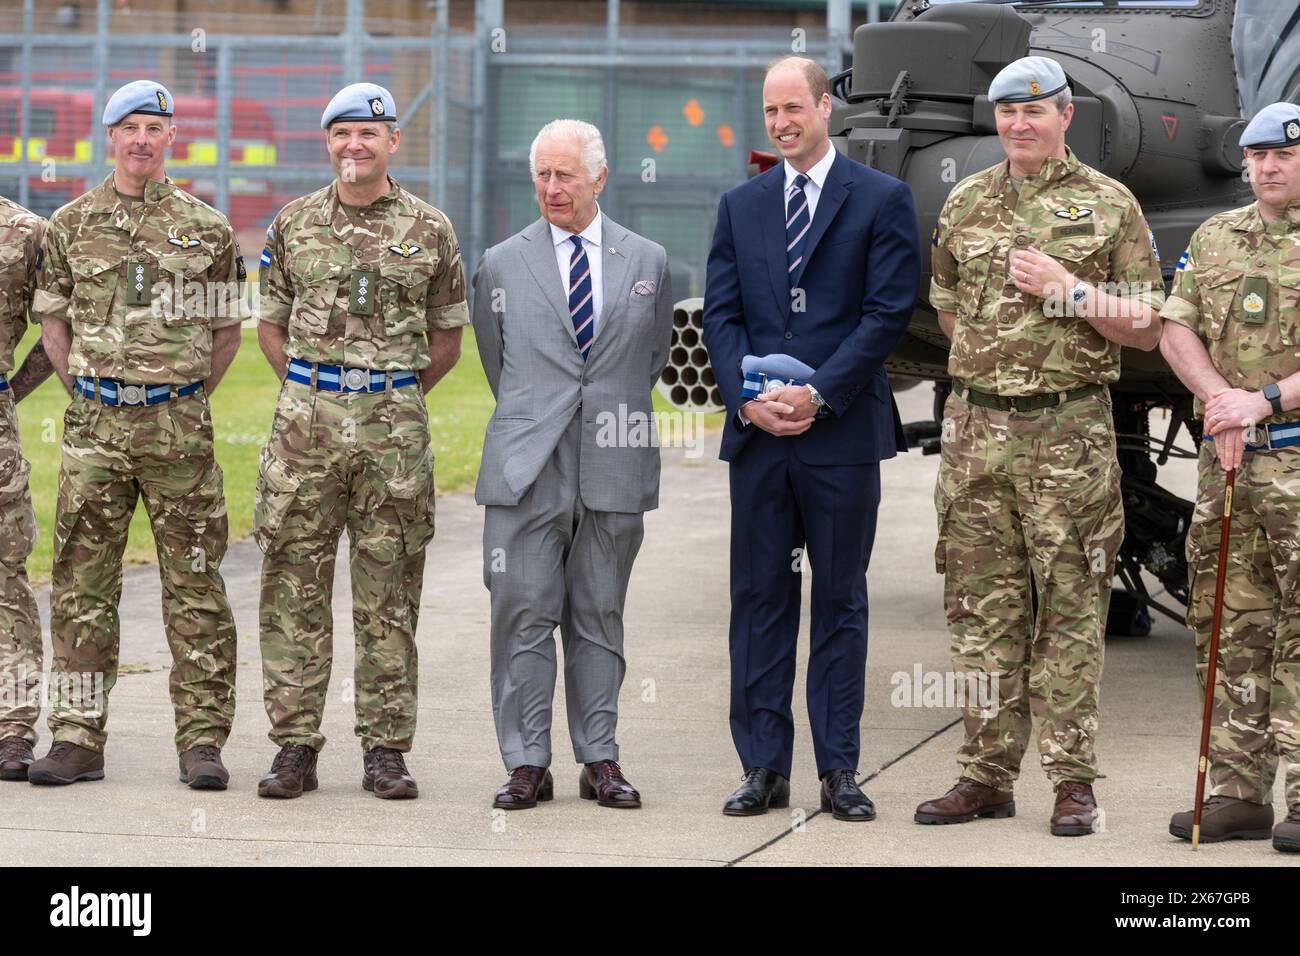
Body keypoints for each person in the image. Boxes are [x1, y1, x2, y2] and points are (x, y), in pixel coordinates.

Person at [918, 56, 1163, 835]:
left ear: (1066, 116)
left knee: (1069, 610)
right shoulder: (966, 202)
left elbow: (1149, 321)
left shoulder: (1109, 204)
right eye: (1006, 113)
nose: (1019, 125)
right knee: (980, 611)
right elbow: (951, 312)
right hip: (978, 436)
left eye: (1035, 112)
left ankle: (1072, 783)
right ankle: (986, 776)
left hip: (1069, 435)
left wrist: (1073, 291)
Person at [702, 56, 920, 821]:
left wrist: (819, 393)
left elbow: (887, 312)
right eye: (770, 111)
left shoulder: (883, 200)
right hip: (760, 441)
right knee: (759, 600)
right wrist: (744, 400)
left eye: (794, 107)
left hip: (840, 439)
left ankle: (839, 771)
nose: (781, 123)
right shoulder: (741, 205)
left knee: (839, 601)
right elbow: (721, 317)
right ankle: (762, 766)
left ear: (826, 107)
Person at [254, 82, 466, 799]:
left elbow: (446, 340)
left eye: (369, 135)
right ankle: (293, 748)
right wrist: (319, 393)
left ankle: (385, 750)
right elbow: (270, 327)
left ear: (392, 142)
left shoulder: (431, 229)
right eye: (343, 134)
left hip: (393, 438)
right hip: (303, 433)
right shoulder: (293, 223)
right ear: (329, 142)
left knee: (390, 594)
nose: (355, 146)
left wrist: (386, 396)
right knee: (292, 587)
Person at [30, 80, 243, 788]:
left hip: (178, 431)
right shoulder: (69, 224)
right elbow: (53, 323)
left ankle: (202, 742)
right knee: (81, 584)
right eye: (130, 127)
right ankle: (76, 738)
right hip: (94, 429)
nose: (142, 139)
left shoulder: (207, 229)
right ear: (110, 136)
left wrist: (175, 396)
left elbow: (224, 332)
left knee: (195, 583)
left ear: (171, 136)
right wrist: (93, 392)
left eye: (155, 126)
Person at [472, 119, 672, 810]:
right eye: (542, 176)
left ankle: (601, 759)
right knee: (522, 614)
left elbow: (651, 358)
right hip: (526, 467)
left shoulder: (648, 261)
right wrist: (541, 418)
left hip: (614, 463)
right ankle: (527, 762)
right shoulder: (500, 263)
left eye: (565, 176)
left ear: (600, 178)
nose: (552, 189)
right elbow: (499, 362)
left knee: (599, 614)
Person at [1159, 101, 1300, 853]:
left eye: (1282, 155)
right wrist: (1219, 398)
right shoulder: (1216, 237)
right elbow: (1175, 324)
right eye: (1256, 156)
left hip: (1296, 453)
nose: (1268, 167)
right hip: (1231, 463)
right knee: (1228, 626)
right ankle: (1239, 793)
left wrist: (1263, 399)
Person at [0, 195, 50, 780]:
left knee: (5, 576)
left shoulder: (24, 232)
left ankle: (12, 729)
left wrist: (12, 390)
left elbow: (61, 321)